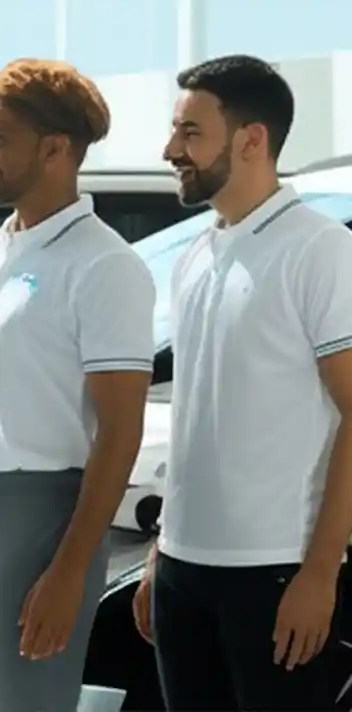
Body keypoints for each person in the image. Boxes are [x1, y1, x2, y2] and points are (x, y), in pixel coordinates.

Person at [0, 58, 155, 711]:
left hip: (40, 527)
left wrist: (71, 571)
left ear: (55, 149)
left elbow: (121, 431)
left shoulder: (105, 266)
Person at [130, 54, 352, 711]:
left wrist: (319, 574)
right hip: (181, 573)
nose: (171, 149)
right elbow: (198, 415)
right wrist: (160, 551)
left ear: (252, 139)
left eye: (190, 133)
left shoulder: (319, 251)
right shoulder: (197, 254)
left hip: (275, 574)